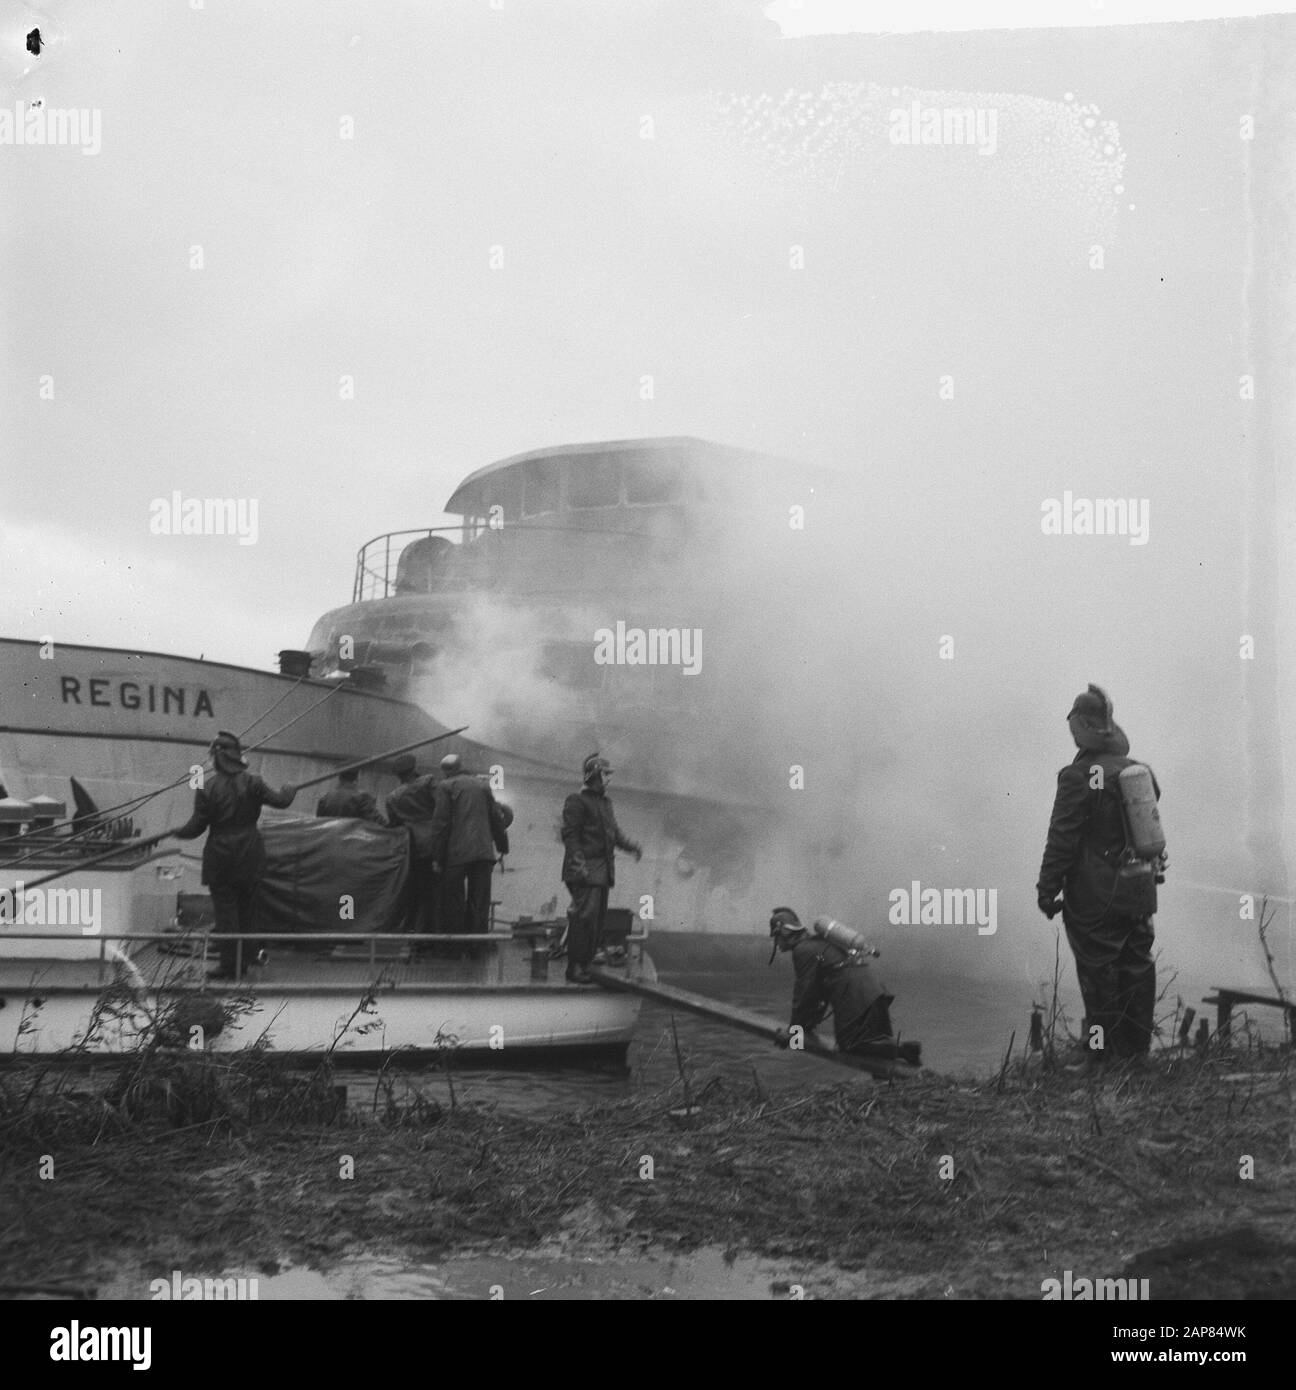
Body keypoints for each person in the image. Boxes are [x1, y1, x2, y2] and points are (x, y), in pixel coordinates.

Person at [1036, 684, 1163, 1068]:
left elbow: (1063, 839)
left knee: (1098, 976)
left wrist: (1047, 889)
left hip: (1096, 896)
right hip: (1139, 890)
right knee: (1137, 968)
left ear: (1081, 727)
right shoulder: (1137, 771)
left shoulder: (1079, 776)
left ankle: (1099, 1053)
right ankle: (1134, 1054)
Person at [171, 731, 296, 979]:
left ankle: (230, 967)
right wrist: (289, 788)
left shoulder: (207, 787)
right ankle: (248, 959)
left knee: (227, 914)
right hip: (250, 853)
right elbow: (282, 801)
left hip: (221, 857)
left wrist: (177, 832)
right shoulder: (254, 782)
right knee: (248, 911)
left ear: (217, 758)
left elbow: (196, 827)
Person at [559, 753, 642, 985]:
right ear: (594, 774)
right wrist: (578, 864)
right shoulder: (576, 800)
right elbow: (570, 835)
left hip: (602, 872)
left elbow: (614, 833)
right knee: (583, 920)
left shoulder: (605, 803)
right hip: (585, 871)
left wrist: (632, 847)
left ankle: (584, 964)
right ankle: (574, 968)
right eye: (605, 774)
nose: (608, 779)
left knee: (595, 922)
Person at [768, 908, 896, 1054]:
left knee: (849, 1045)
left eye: (776, 937)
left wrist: (793, 1032)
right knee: (875, 1043)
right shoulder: (819, 944)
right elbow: (817, 995)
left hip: (856, 995)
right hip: (873, 992)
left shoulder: (803, 950)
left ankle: (902, 1049)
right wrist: (805, 1027)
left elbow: (803, 992)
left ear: (784, 933)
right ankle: (905, 1051)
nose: (776, 943)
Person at [429, 753, 511, 942]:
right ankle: (476, 947)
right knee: (480, 902)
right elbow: (496, 818)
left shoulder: (445, 787)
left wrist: (437, 857)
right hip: (483, 853)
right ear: (461, 766)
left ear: (445, 771)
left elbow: (441, 824)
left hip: (457, 853)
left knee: (454, 901)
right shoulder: (482, 785)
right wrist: (502, 846)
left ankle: (456, 948)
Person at [384, 752, 440, 936]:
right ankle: (430, 933)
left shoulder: (392, 797)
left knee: (415, 890)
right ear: (414, 768)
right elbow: (443, 808)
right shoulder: (428, 782)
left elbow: (393, 825)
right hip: (434, 844)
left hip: (410, 848)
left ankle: (412, 928)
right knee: (434, 892)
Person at [315, 766, 383, 822]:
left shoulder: (326, 798)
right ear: (358, 777)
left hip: (329, 837)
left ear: (340, 777)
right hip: (352, 837)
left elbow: (319, 823)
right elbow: (376, 821)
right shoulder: (362, 797)